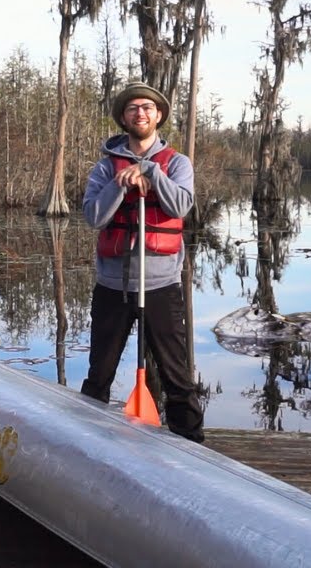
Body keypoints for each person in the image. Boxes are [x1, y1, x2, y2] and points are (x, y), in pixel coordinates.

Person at [80, 81, 205, 443]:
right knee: (98, 375)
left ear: (159, 116)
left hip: (161, 285)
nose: (141, 113)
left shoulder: (178, 164)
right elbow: (94, 217)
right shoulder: (105, 169)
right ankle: (86, 445)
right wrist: (120, 184)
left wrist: (151, 172)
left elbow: (181, 206)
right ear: (124, 117)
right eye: (134, 108)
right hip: (113, 287)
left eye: (148, 108)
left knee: (176, 376)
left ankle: (192, 445)